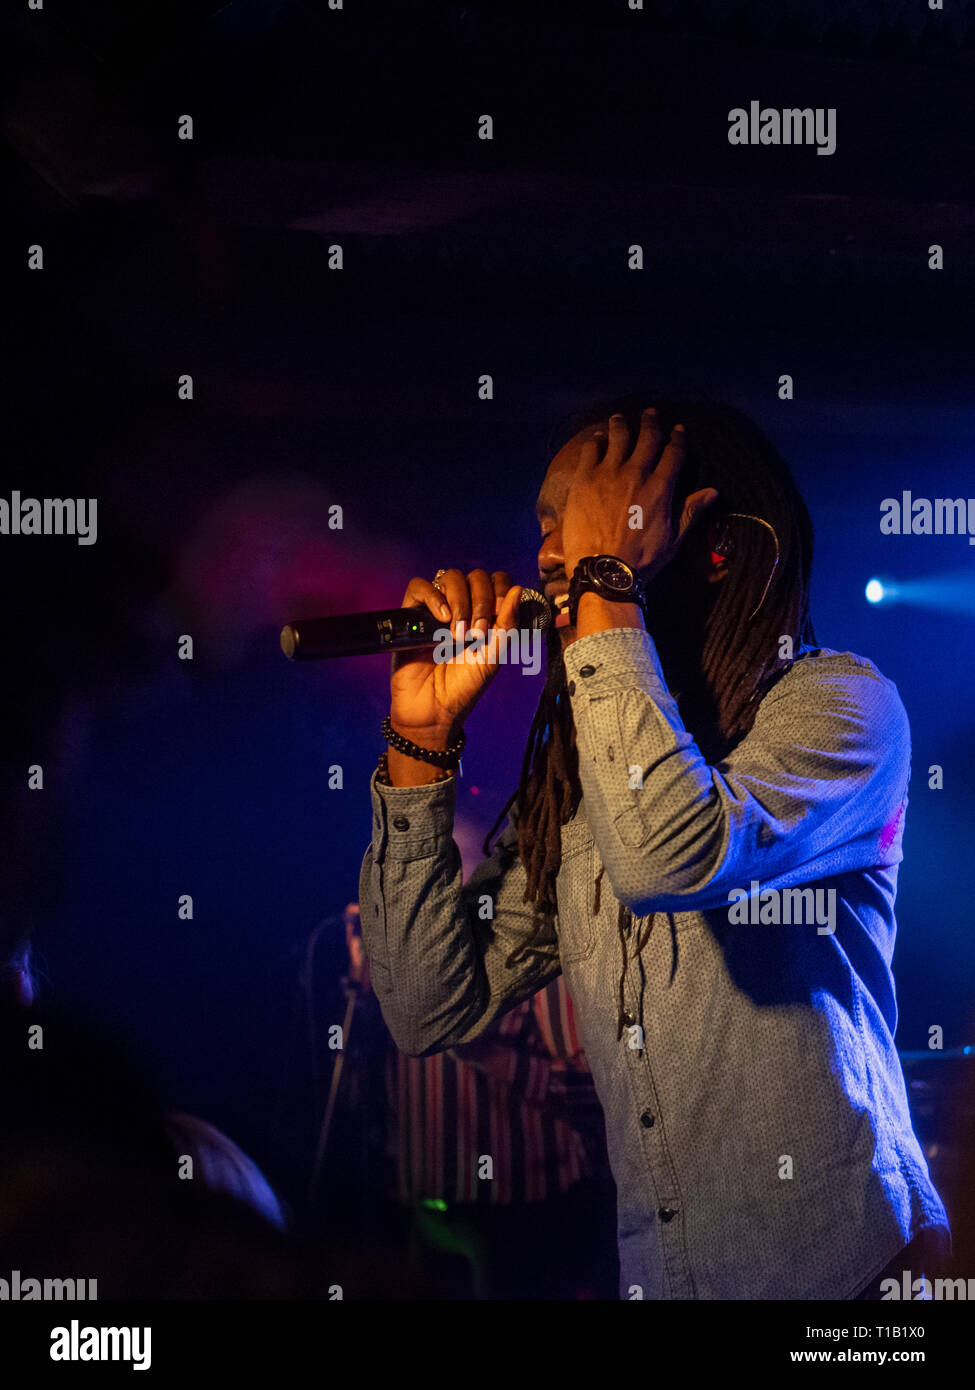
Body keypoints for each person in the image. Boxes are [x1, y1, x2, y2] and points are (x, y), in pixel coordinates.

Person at [357, 393, 950, 1300]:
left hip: (852, 1278)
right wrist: (420, 742)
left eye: (585, 522)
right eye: (549, 530)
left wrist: (606, 582)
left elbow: (665, 853)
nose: (552, 555)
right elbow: (427, 1008)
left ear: (705, 534)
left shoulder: (840, 707)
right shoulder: (580, 781)